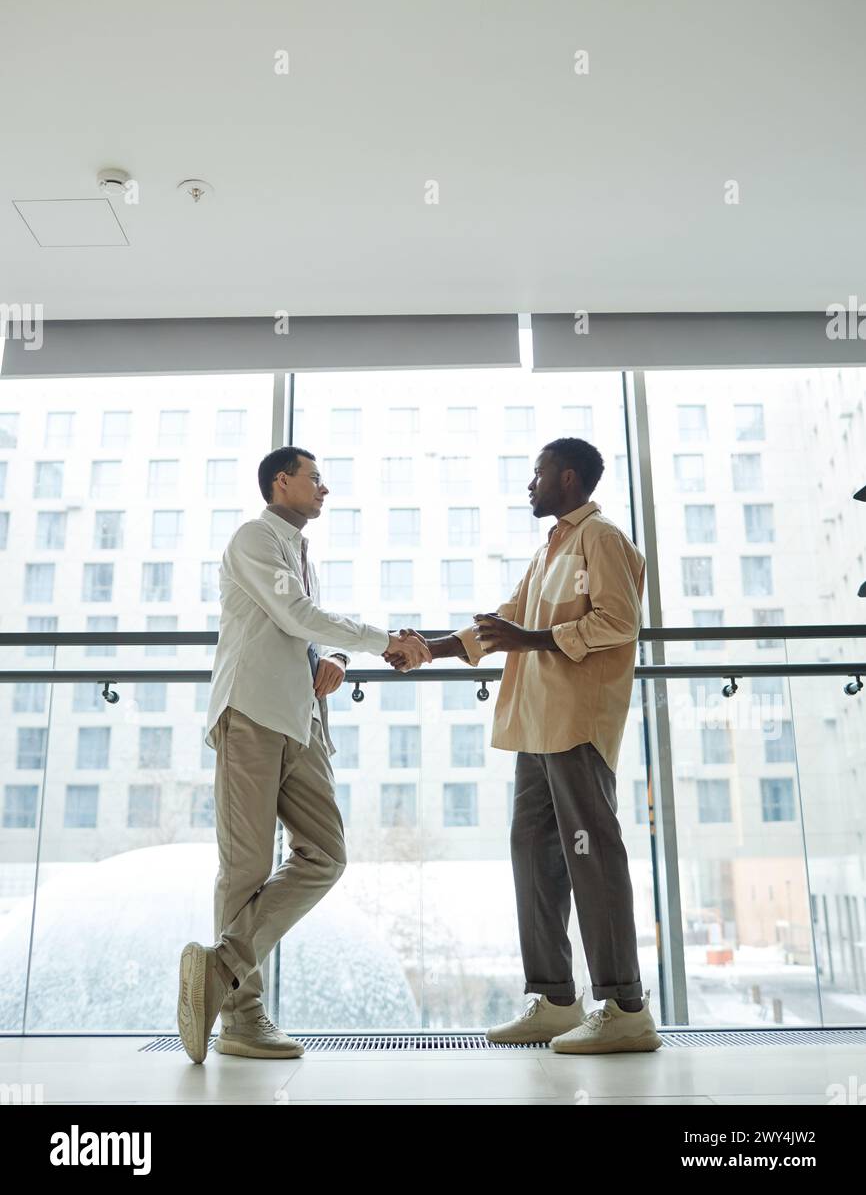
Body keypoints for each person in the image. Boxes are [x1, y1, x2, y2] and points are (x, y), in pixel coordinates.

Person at [387, 437, 660, 1055]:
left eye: (536, 475)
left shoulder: (604, 539)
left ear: (567, 478)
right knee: (532, 857)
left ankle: (625, 1006)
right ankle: (557, 1000)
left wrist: (530, 638)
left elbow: (617, 622)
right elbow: (499, 625)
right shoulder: (550, 551)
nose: (528, 486)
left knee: (593, 858)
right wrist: (429, 648)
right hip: (535, 728)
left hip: (577, 725)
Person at [177, 446, 430, 1063]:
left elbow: (297, 627)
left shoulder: (298, 552)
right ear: (280, 481)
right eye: (316, 478)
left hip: (301, 721)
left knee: (325, 855)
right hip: (253, 715)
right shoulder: (255, 538)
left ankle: (223, 967)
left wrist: (334, 658)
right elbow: (291, 614)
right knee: (246, 869)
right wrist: (381, 640)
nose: (325, 488)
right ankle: (242, 1018)